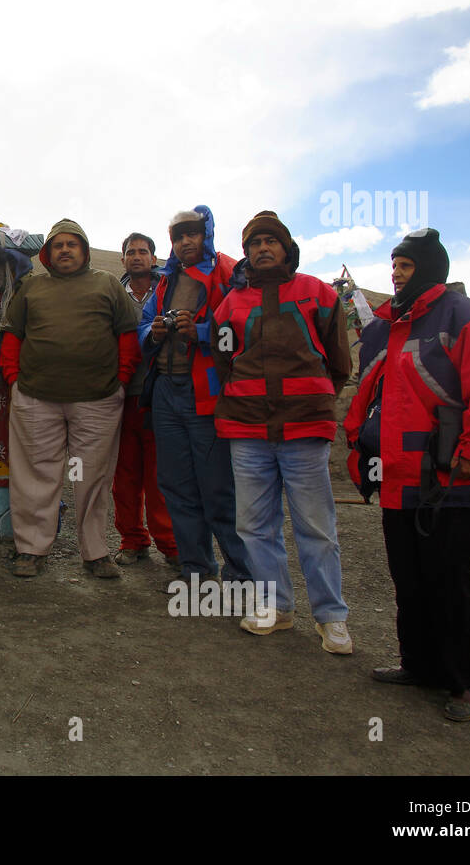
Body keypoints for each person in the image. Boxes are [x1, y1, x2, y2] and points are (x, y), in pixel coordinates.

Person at [344, 228, 470, 721]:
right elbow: (368, 395)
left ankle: (462, 681)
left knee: (451, 577)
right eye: (393, 265)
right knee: (409, 575)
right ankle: (417, 664)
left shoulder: (466, 315)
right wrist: (359, 445)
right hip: (400, 476)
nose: (396, 274)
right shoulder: (382, 327)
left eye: (406, 266)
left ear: (430, 268)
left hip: (454, 477)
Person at [212, 211, 353, 652]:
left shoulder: (320, 294)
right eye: (254, 244)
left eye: (271, 241)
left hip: (305, 426)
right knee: (255, 525)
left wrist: (315, 399)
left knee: (316, 526)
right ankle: (277, 608)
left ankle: (331, 617)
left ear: (286, 248)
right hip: (247, 427)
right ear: (246, 252)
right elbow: (223, 359)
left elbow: (339, 362)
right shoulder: (229, 305)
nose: (262, 249)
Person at [0, 219, 139, 579]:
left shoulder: (106, 284)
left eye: (71, 244)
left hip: (97, 399)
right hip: (35, 397)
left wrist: (120, 381)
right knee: (35, 475)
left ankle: (95, 553)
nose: (64, 250)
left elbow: (127, 335)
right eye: (58, 244)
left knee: (91, 477)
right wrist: (14, 381)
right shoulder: (31, 288)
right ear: (48, 252)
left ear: (85, 250)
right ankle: (31, 549)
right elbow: (12, 336)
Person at [138, 207, 252, 584]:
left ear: (206, 233)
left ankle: (241, 575)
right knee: (175, 484)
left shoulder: (228, 273)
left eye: (192, 234)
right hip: (166, 391)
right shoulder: (165, 280)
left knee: (218, 487)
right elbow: (143, 325)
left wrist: (200, 332)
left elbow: (244, 331)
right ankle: (197, 570)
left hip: (207, 392)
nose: (185, 242)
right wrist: (152, 334)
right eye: (177, 236)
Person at [113, 232, 178, 567]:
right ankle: (132, 540)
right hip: (122, 394)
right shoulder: (112, 293)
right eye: (130, 252)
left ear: (154, 258)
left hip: (161, 394)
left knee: (159, 474)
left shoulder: (170, 289)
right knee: (125, 474)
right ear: (122, 259)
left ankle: (169, 544)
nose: (136, 256)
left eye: (143, 251)